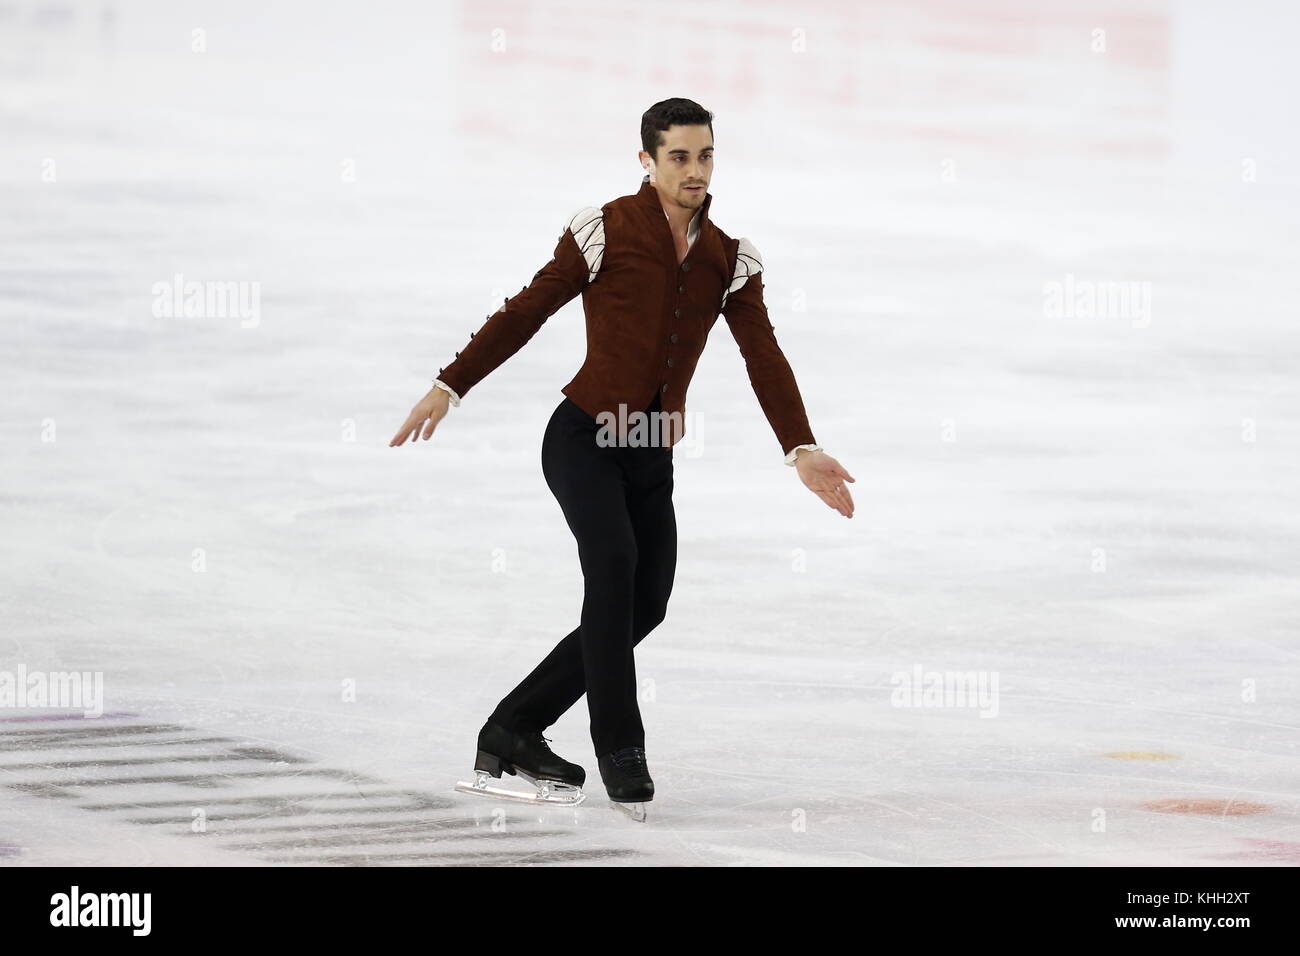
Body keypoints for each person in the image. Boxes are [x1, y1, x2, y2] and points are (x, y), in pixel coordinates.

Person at [391, 98, 855, 815]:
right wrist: (451, 383)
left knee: (645, 604)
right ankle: (621, 746)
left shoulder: (728, 260)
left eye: (705, 155)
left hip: (648, 453)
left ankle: (513, 727)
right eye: (679, 156)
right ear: (647, 160)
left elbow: (763, 354)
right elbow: (526, 311)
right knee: (613, 565)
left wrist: (800, 445)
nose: (695, 170)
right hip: (581, 439)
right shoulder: (605, 230)